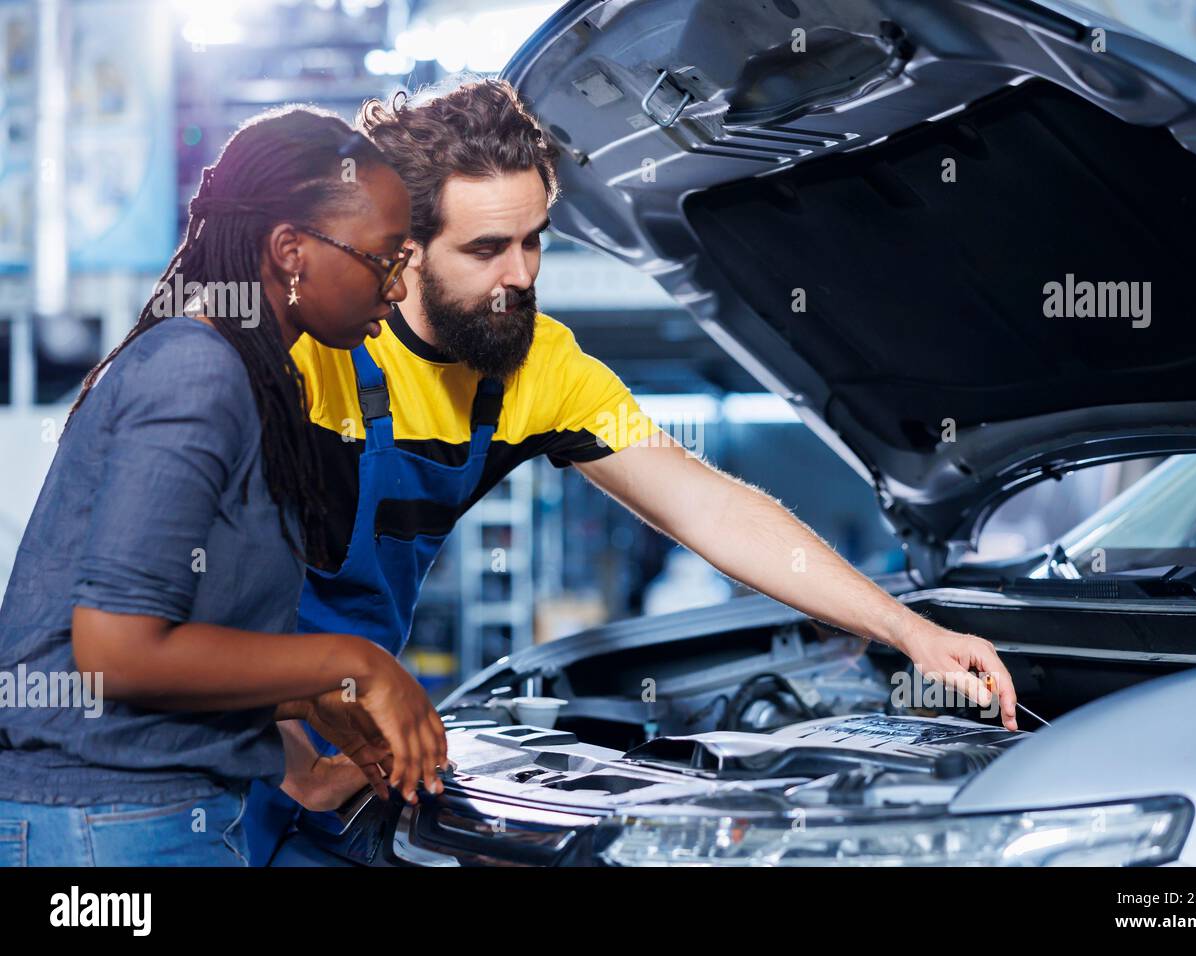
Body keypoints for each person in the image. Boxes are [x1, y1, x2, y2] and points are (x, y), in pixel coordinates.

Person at [252, 79, 1021, 866]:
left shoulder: (538, 365)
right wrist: (285, 752)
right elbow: (177, 579)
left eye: (534, 239)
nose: (520, 275)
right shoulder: (310, 347)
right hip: (219, 737)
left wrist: (907, 629)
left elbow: (707, 506)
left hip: (353, 763)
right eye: (486, 249)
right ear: (402, 252)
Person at [0, 106, 442, 867]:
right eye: (382, 260)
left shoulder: (252, 373)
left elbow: (180, 636)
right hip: (107, 827)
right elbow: (115, 654)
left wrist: (304, 734)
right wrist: (359, 664)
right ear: (289, 251)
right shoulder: (197, 369)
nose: (396, 289)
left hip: (136, 817)